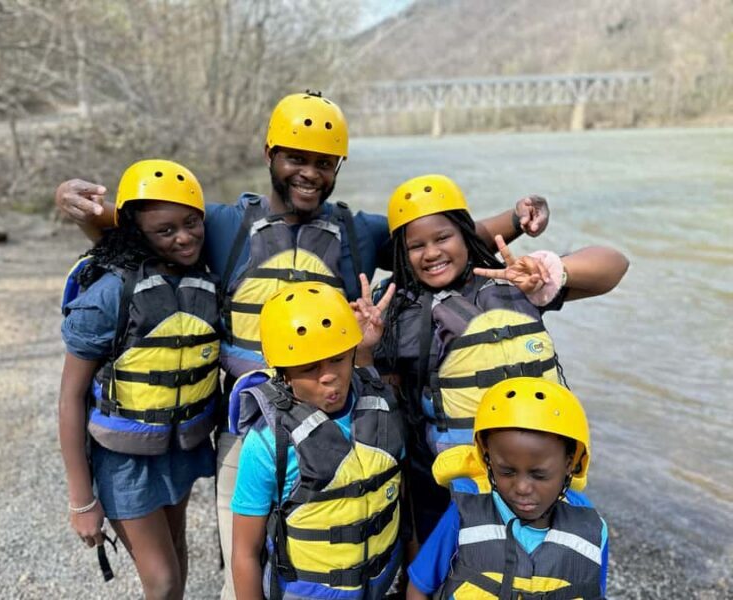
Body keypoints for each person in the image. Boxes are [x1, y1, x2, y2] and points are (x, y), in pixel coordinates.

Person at [54, 92, 551, 598]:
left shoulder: (356, 232)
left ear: (338, 167)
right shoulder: (226, 225)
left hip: (336, 415)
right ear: (270, 155)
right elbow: (144, 224)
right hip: (251, 431)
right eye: (296, 158)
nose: (309, 173)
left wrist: (518, 216)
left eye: (323, 162)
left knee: (335, 553)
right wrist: (76, 207)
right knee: (244, 565)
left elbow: (443, 235)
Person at [376, 174, 628, 546]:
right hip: (453, 481)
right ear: (402, 254)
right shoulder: (397, 313)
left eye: (443, 238)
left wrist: (551, 273)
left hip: (535, 474)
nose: (431, 253)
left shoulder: (514, 282)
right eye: (417, 246)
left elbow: (614, 265)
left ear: (467, 234)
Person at [58, 159, 220, 599]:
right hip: (123, 459)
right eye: (165, 231)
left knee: (177, 557)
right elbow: (70, 398)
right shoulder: (110, 294)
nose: (184, 237)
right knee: (163, 582)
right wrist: (82, 500)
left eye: (191, 223)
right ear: (136, 231)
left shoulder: (201, 276)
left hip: (180, 448)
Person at [229, 280, 402, 599]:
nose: (328, 376)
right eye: (309, 367)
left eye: (338, 359)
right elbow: (245, 552)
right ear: (282, 372)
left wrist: (364, 348)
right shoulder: (267, 444)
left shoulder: (377, 405)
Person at [406, 377, 609, 599]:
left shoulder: (592, 530)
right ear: (487, 457)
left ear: (570, 463)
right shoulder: (463, 515)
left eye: (539, 475)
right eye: (507, 472)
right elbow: (418, 588)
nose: (521, 487)